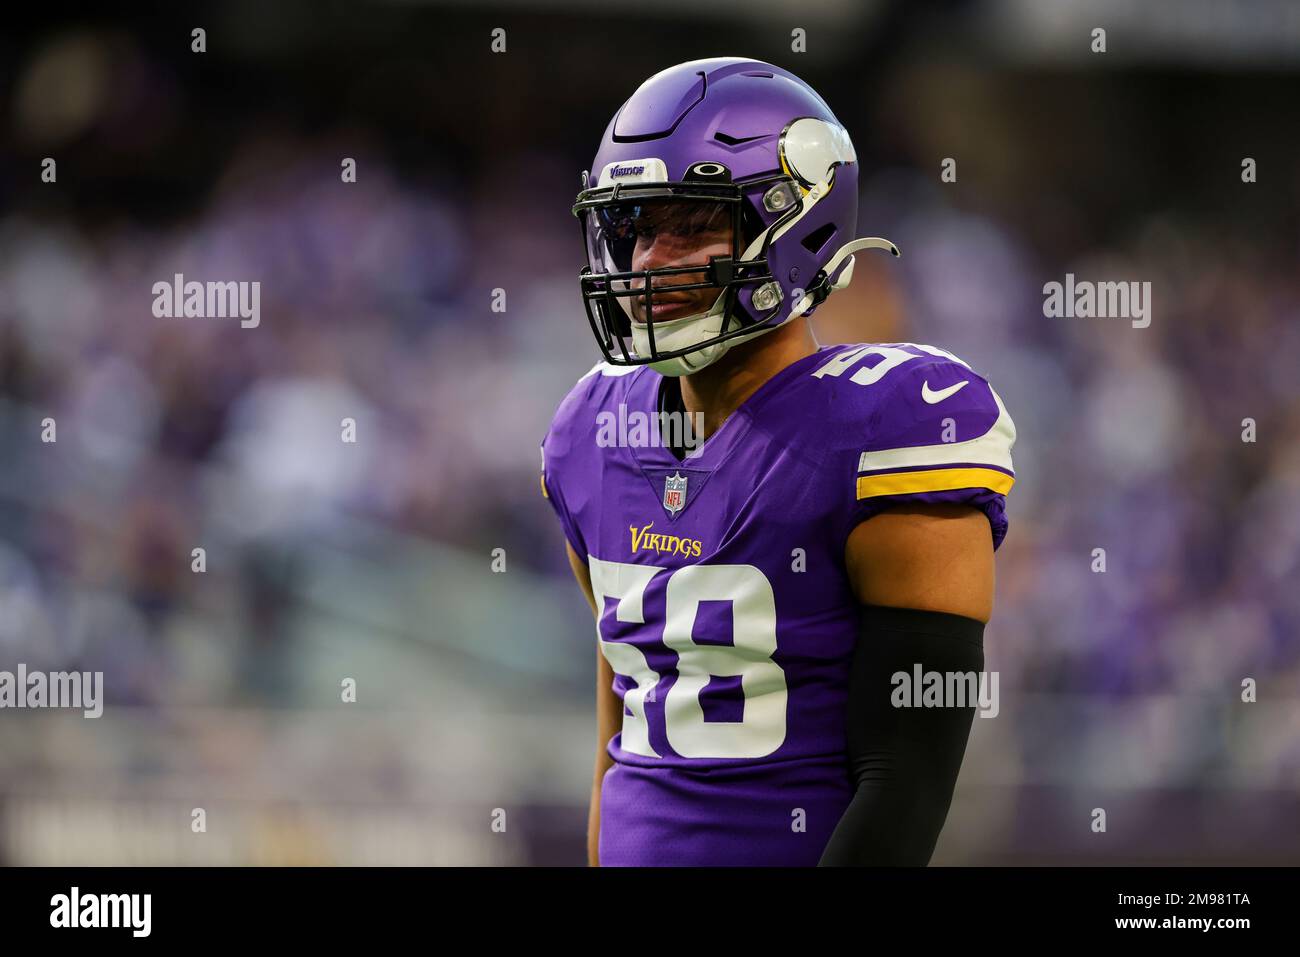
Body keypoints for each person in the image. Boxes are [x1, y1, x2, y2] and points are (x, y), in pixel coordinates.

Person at [541, 57, 1016, 866]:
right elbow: (619, 734)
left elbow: (905, 782)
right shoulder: (591, 428)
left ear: (801, 224)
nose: (652, 260)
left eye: (691, 222)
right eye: (637, 228)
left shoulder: (891, 429)